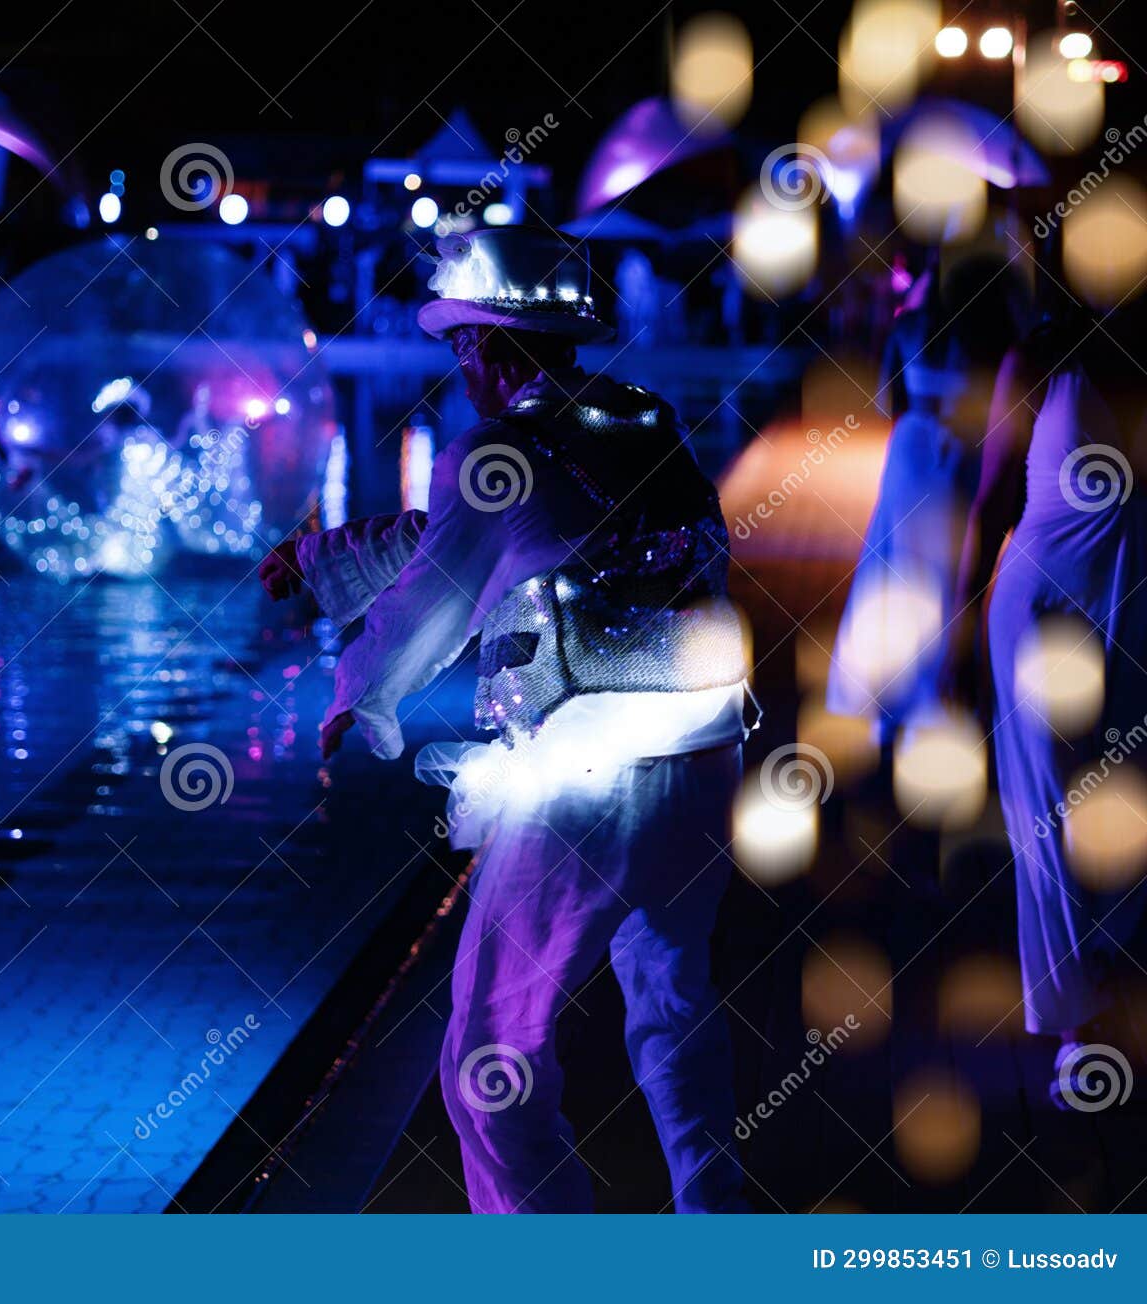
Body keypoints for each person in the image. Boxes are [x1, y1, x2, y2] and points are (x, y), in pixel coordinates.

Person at [260, 227, 754, 1212]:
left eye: (460, 348)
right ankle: (719, 1228)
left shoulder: (495, 446)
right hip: (706, 758)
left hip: (583, 780)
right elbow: (494, 536)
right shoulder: (642, 416)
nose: (458, 369)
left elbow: (434, 590)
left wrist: (361, 690)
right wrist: (321, 564)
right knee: (673, 1012)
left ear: (491, 345)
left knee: (490, 1057)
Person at [948, 291, 1147, 1104]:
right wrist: (956, 635)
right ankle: (1075, 1029)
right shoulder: (1039, 360)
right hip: (1040, 607)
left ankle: (1113, 983)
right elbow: (994, 496)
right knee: (1049, 815)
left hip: (1131, 602)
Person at [827, 256, 1022, 739]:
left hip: (912, 451)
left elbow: (885, 400)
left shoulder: (910, 325)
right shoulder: (994, 332)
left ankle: (889, 698)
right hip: (963, 452)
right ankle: (941, 696)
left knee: (894, 569)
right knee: (948, 572)